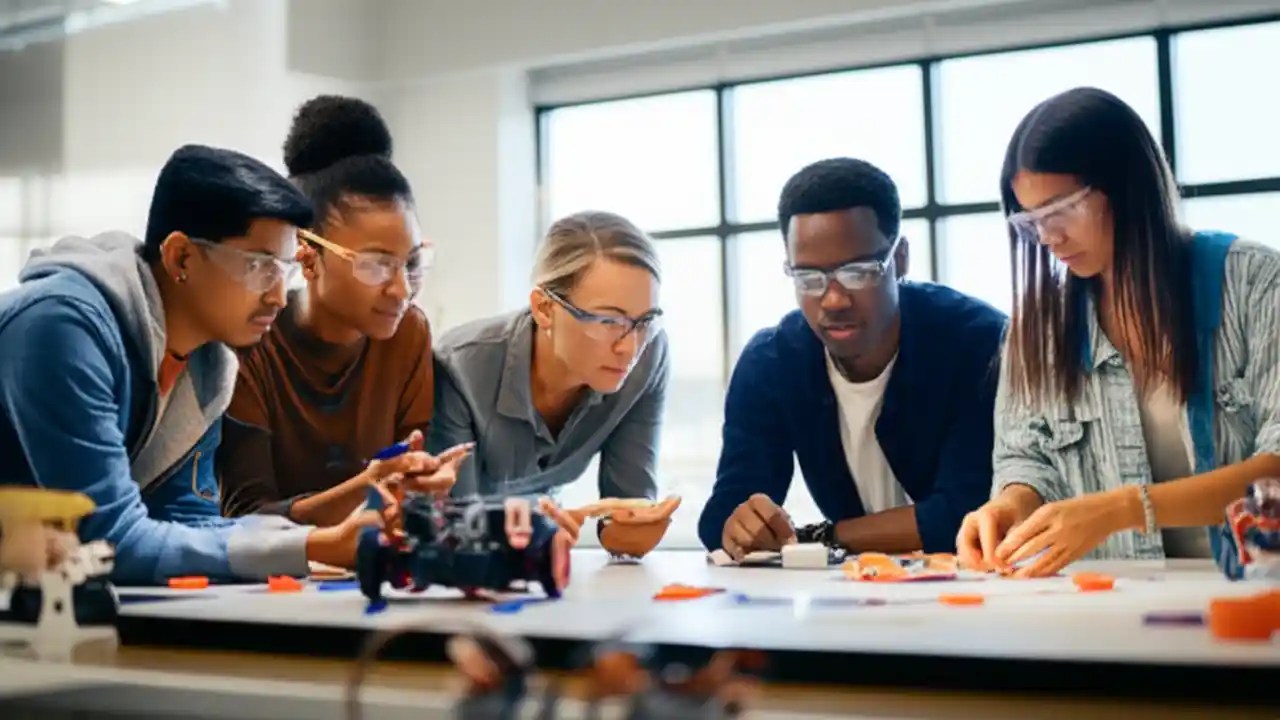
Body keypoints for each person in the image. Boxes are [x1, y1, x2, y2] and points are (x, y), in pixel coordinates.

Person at [0, 145, 420, 585]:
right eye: (259, 266)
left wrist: (325, 538)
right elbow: (108, 539)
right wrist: (312, 545)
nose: (278, 296)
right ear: (181, 256)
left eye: (283, 270)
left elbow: (184, 520)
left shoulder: (208, 363)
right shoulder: (64, 329)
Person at [956, 87, 1280, 578]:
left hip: (1257, 599)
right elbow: (1027, 459)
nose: (1048, 238)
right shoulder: (1036, 332)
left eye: (1062, 210)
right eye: (1031, 221)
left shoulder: (1254, 282)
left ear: (1127, 189)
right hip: (1116, 608)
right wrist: (1009, 505)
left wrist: (1126, 508)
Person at [698, 157, 1007, 560]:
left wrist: (823, 536)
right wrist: (740, 526)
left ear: (899, 260)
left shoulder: (978, 342)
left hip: (979, 585)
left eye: (858, 272)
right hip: (857, 589)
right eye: (808, 278)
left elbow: (964, 513)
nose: (833, 299)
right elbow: (723, 511)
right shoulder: (772, 362)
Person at [218, 95, 466, 527]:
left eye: (410, 262)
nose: (401, 290)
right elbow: (245, 518)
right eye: (376, 264)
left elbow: (411, 494)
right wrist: (371, 486)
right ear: (308, 257)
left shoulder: (408, 333)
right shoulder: (249, 342)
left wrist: (424, 485)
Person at [430, 211, 676, 558]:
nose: (630, 347)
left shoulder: (649, 357)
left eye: (644, 321)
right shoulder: (459, 365)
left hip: (537, 563)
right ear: (544, 308)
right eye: (608, 320)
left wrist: (634, 530)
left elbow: (626, 509)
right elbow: (451, 532)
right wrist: (536, 532)